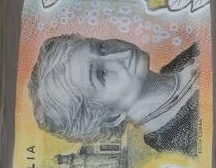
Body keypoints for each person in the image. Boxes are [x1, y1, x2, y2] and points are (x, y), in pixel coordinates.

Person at [28, 34, 200, 156]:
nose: (121, 54)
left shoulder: (186, 61)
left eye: (101, 47)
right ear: (111, 116)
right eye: (101, 74)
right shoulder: (187, 142)